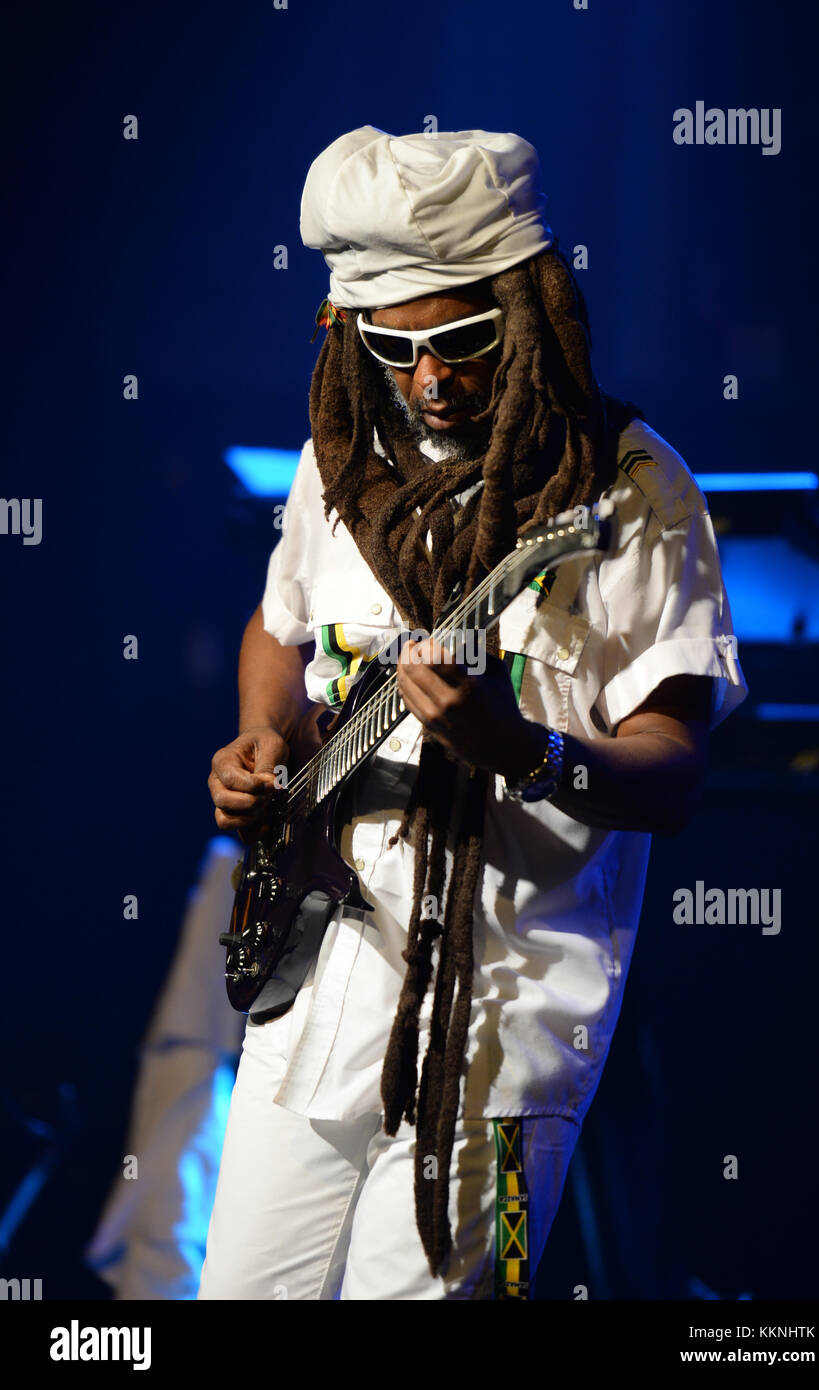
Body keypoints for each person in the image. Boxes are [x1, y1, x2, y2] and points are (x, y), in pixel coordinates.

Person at [198, 125, 746, 1301]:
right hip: (315, 996)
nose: (430, 381)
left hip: (498, 1034)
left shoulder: (634, 489)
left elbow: (675, 771)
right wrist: (261, 734)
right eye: (395, 350)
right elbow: (278, 626)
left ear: (531, 306)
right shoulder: (338, 461)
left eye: (461, 341)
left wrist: (519, 748)